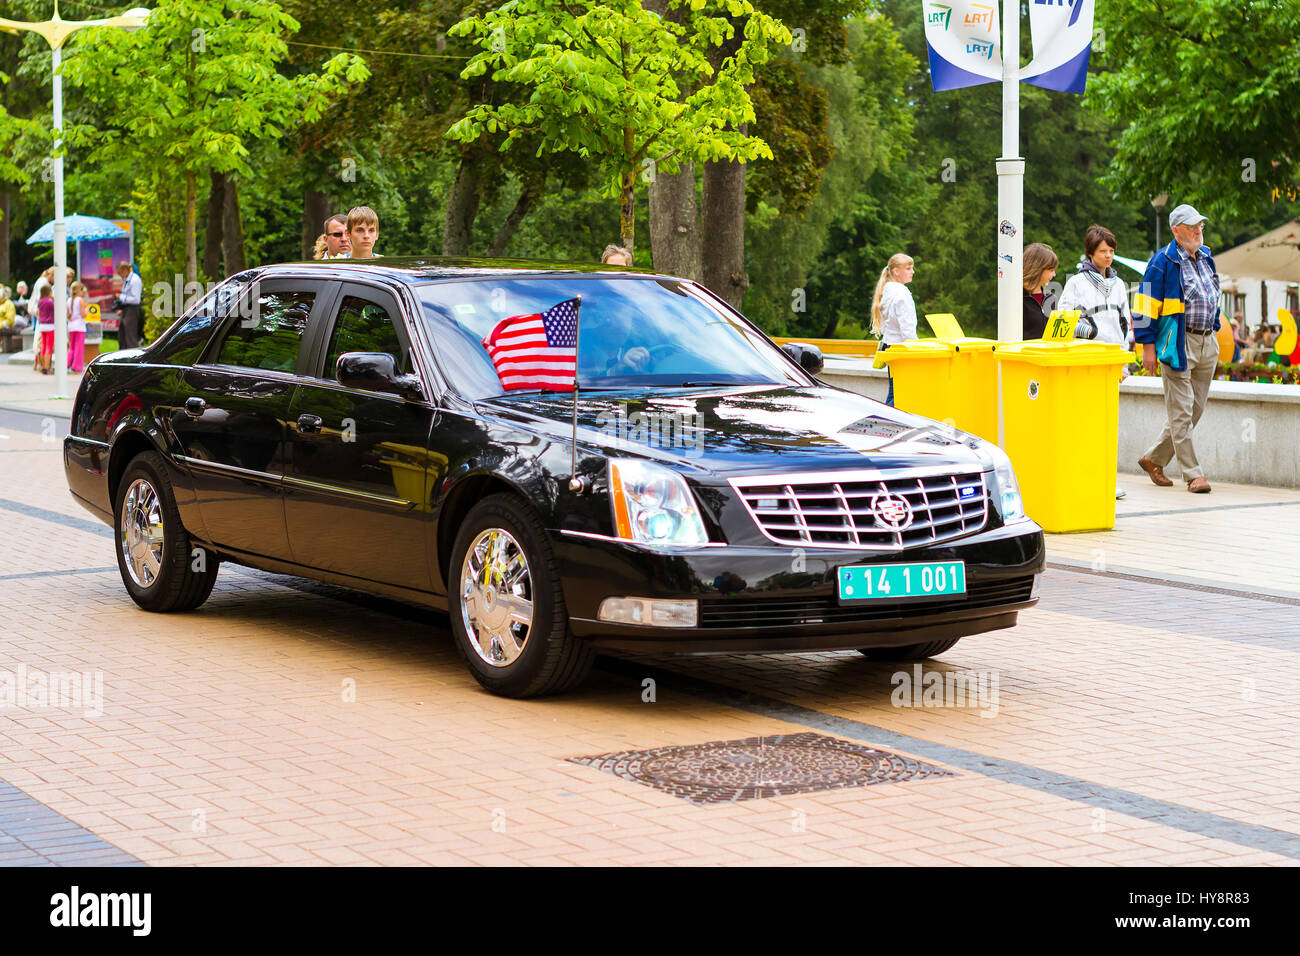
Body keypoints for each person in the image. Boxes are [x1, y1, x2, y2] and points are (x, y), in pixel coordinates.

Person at [1135, 203, 1221, 494]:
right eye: (1192, 225)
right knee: (1181, 411)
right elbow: (1144, 306)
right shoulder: (1162, 261)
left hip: (1208, 340)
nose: (1198, 230)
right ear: (1175, 230)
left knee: (1194, 410)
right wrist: (1147, 348)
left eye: (1200, 225)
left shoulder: (1206, 255)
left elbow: (1212, 294)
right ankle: (1193, 474)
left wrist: (1216, 328)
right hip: (1177, 343)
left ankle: (1153, 458)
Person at [1058, 226, 1135, 500]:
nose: (1108, 256)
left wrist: (1123, 363)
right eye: (1103, 251)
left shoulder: (1119, 285)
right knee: (1084, 423)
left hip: (1111, 363)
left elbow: (1125, 324)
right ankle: (1083, 478)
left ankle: (1106, 481)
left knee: (1107, 425)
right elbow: (1064, 319)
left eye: (1112, 251)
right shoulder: (1075, 283)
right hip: (1086, 362)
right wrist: (1087, 334)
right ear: (1091, 252)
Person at [870, 253, 917, 407]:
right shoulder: (902, 294)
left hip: (890, 347)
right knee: (899, 396)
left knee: (894, 391)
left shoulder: (886, 291)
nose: (913, 272)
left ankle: (885, 424)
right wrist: (917, 351)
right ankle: (888, 425)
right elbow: (908, 331)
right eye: (909, 268)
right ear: (896, 271)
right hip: (902, 350)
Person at [1021, 243, 1058, 340]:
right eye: (1051, 269)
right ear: (1037, 268)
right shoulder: (1016, 297)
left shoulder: (1052, 299)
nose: (1054, 274)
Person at [116, 260, 143, 349]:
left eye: (120, 273)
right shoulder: (127, 279)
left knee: (130, 336)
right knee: (122, 335)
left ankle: (132, 358)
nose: (120, 276)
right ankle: (122, 356)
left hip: (132, 310)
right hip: (126, 309)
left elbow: (135, 299)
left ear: (125, 270)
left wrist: (121, 297)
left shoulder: (134, 280)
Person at [67, 280, 88, 373]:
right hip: (79, 326)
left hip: (71, 326)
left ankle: (67, 364)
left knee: (71, 347)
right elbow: (83, 315)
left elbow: (68, 315)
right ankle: (77, 367)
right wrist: (87, 308)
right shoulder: (81, 300)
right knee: (79, 348)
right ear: (79, 290)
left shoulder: (68, 300)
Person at [35, 283, 55, 374]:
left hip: (42, 325)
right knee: (49, 347)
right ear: (49, 292)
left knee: (43, 346)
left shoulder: (40, 302)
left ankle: (43, 366)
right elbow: (56, 310)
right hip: (50, 326)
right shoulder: (50, 302)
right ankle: (47, 367)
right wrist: (54, 299)